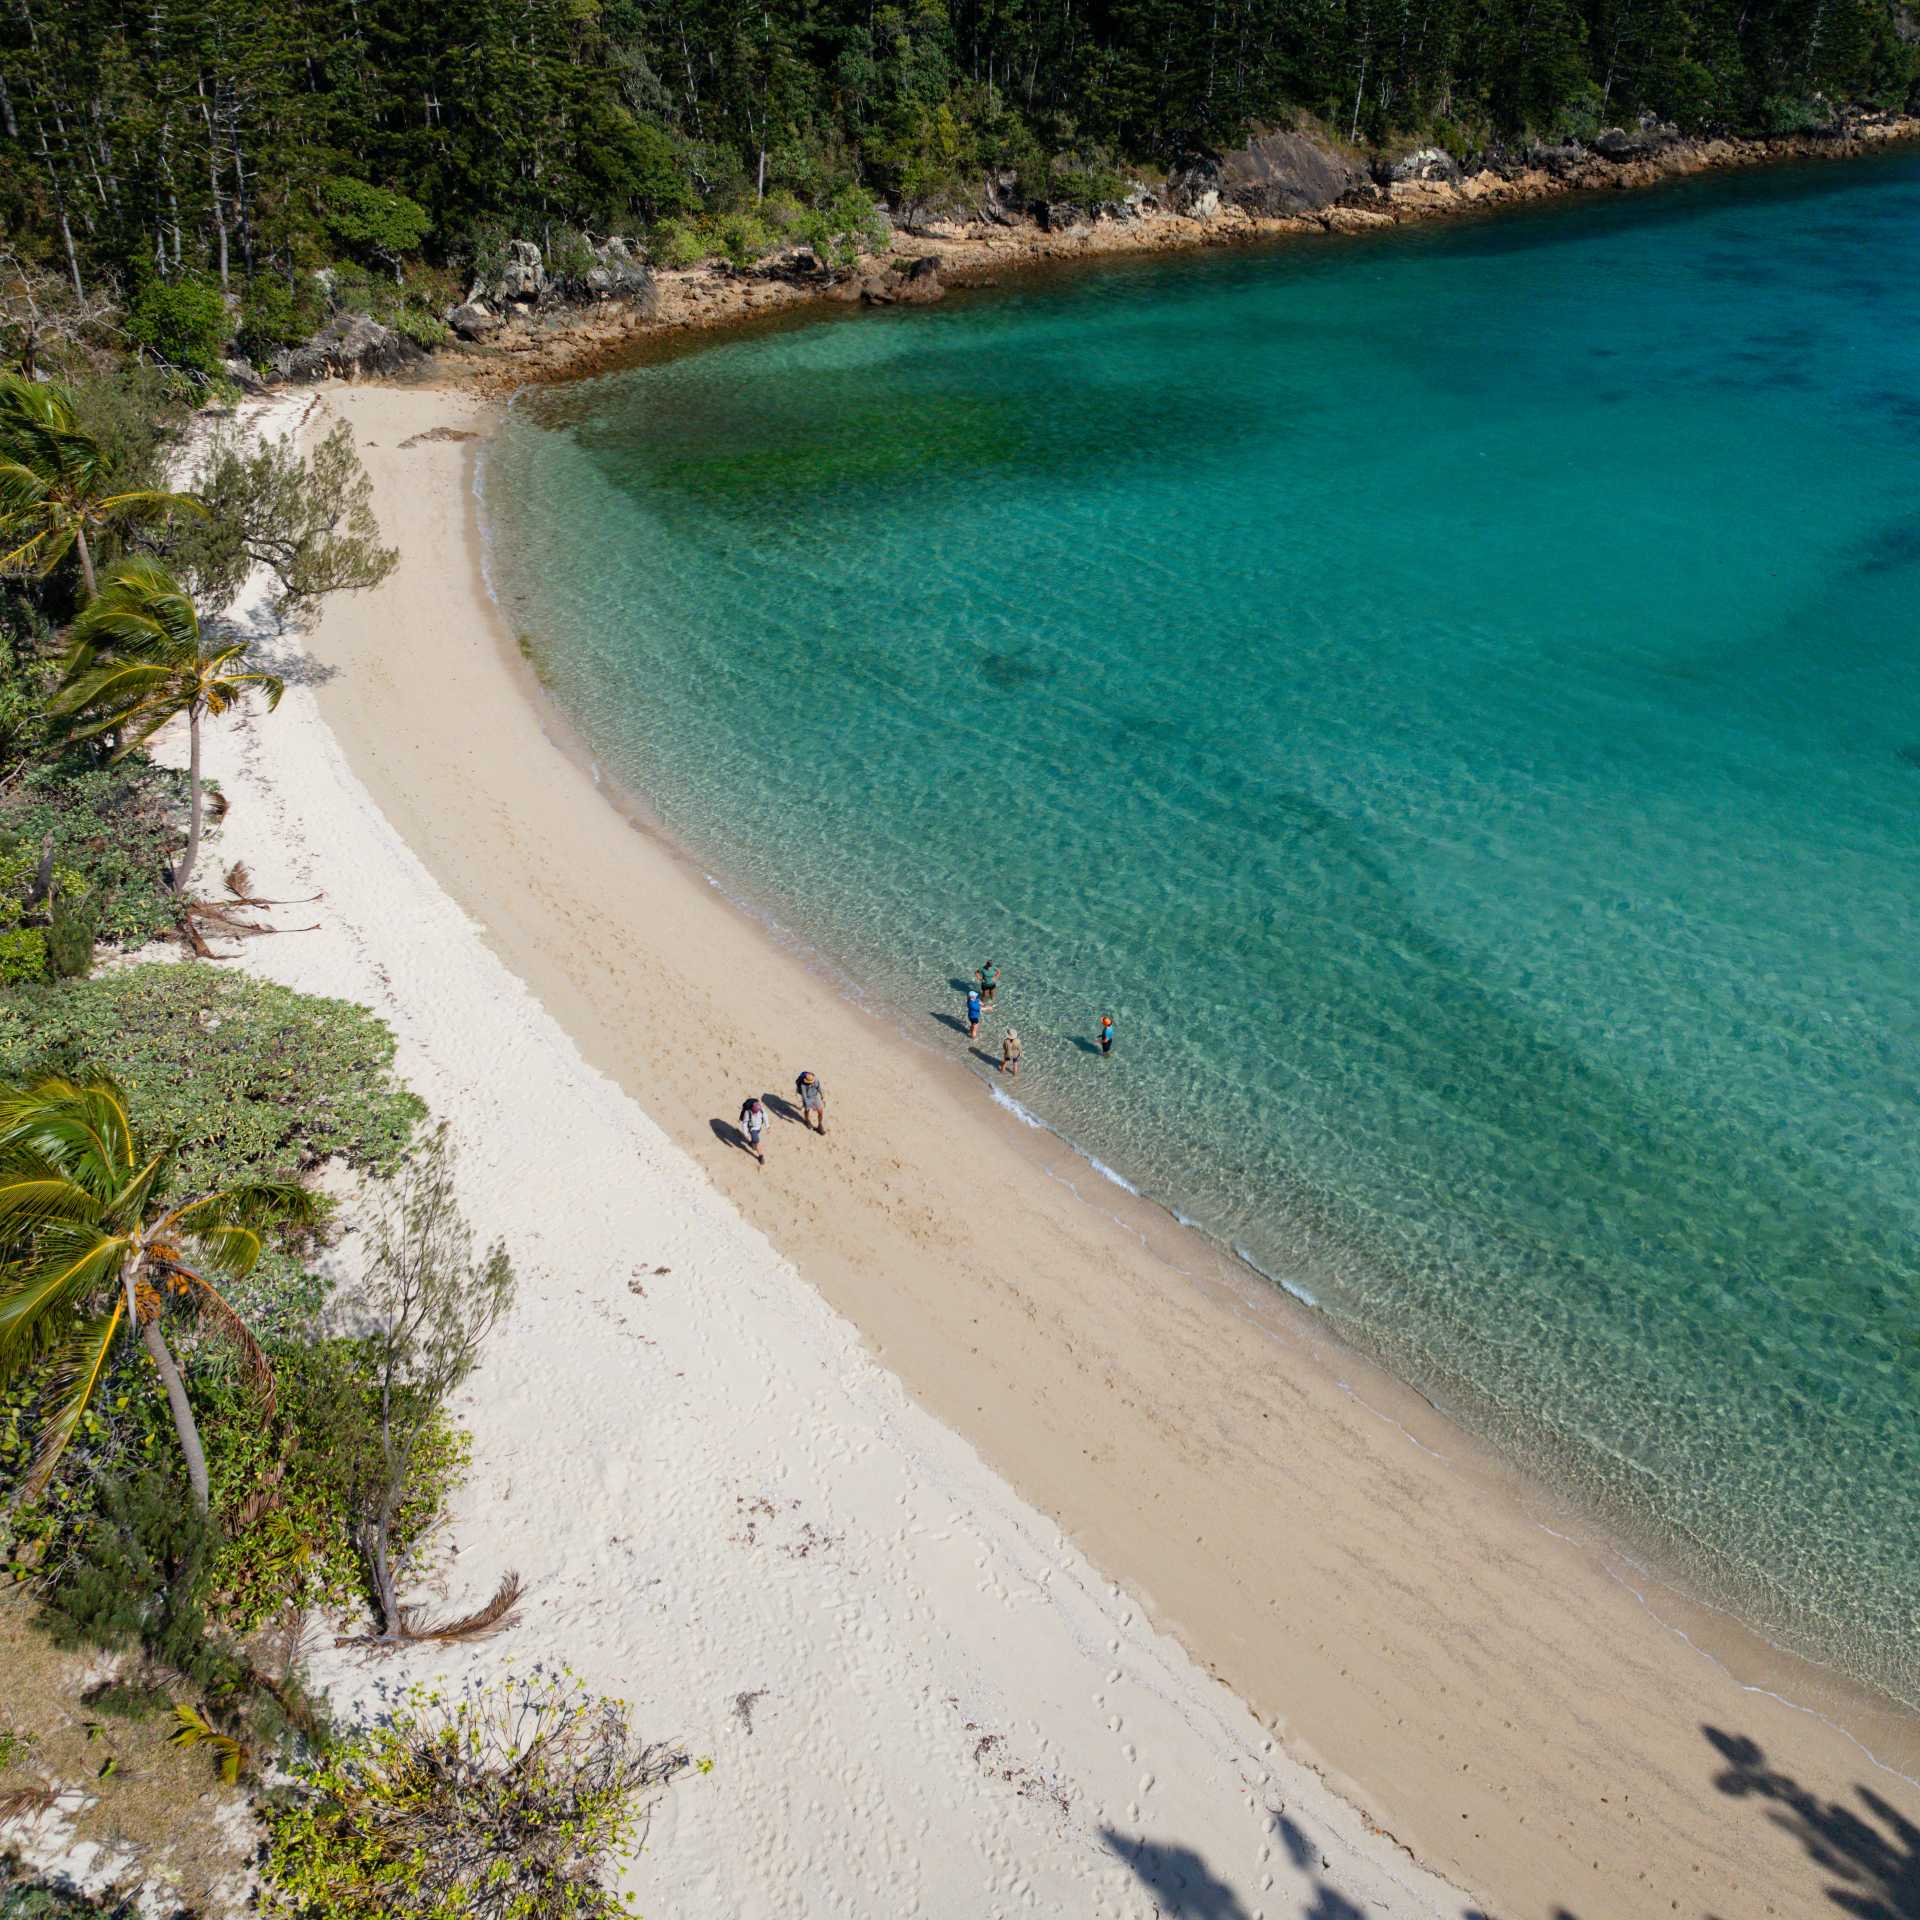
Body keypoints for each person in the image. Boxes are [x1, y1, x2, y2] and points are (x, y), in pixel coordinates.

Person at [738, 1095, 768, 1165]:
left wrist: (767, 1126)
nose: (756, 1113)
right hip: (752, 1129)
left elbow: (765, 1116)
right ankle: (760, 1156)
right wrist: (746, 1133)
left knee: (755, 1140)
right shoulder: (747, 1113)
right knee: (757, 1141)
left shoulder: (761, 1110)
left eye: (757, 1112)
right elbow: (745, 1124)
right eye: (755, 1112)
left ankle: (752, 1143)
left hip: (758, 1128)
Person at [795, 1069, 827, 1134]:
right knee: (807, 1110)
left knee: (820, 1111)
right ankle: (807, 1120)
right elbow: (804, 1096)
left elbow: (819, 1088)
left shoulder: (816, 1081)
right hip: (807, 1098)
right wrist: (808, 1105)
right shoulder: (803, 1085)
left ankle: (820, 1125)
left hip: (815, 1097)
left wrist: (822, 1097)